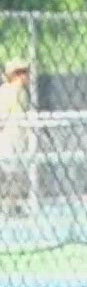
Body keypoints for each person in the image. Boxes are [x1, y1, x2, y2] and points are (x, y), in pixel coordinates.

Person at [0, 60, 31, 216]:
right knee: (9, 172)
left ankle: (14, 203)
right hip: (8, 138)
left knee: (17, 173)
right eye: (22, 72)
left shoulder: (23, 93)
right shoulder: (6, 91)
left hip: (19, 137)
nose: (27, 75)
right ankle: (8, 204)